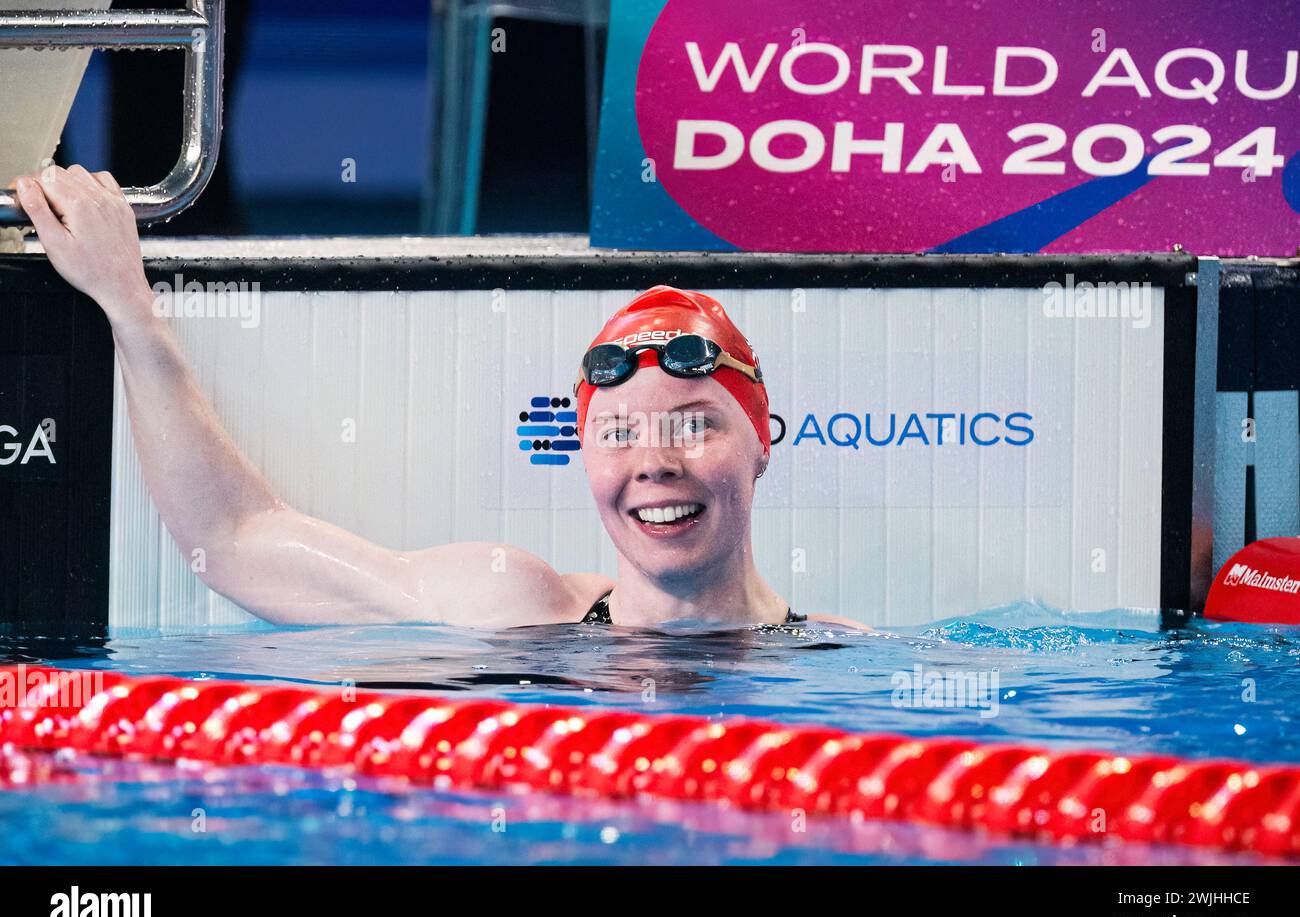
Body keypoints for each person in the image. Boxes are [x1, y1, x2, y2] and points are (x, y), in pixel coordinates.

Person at [14, 165, 871, 631]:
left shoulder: (842, 661)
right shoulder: (512, 605)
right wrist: (128, 306)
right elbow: (233, 541)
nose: (654, 462)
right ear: (583, 453)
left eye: (695, 424)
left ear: (764, 444)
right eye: (618, 432)